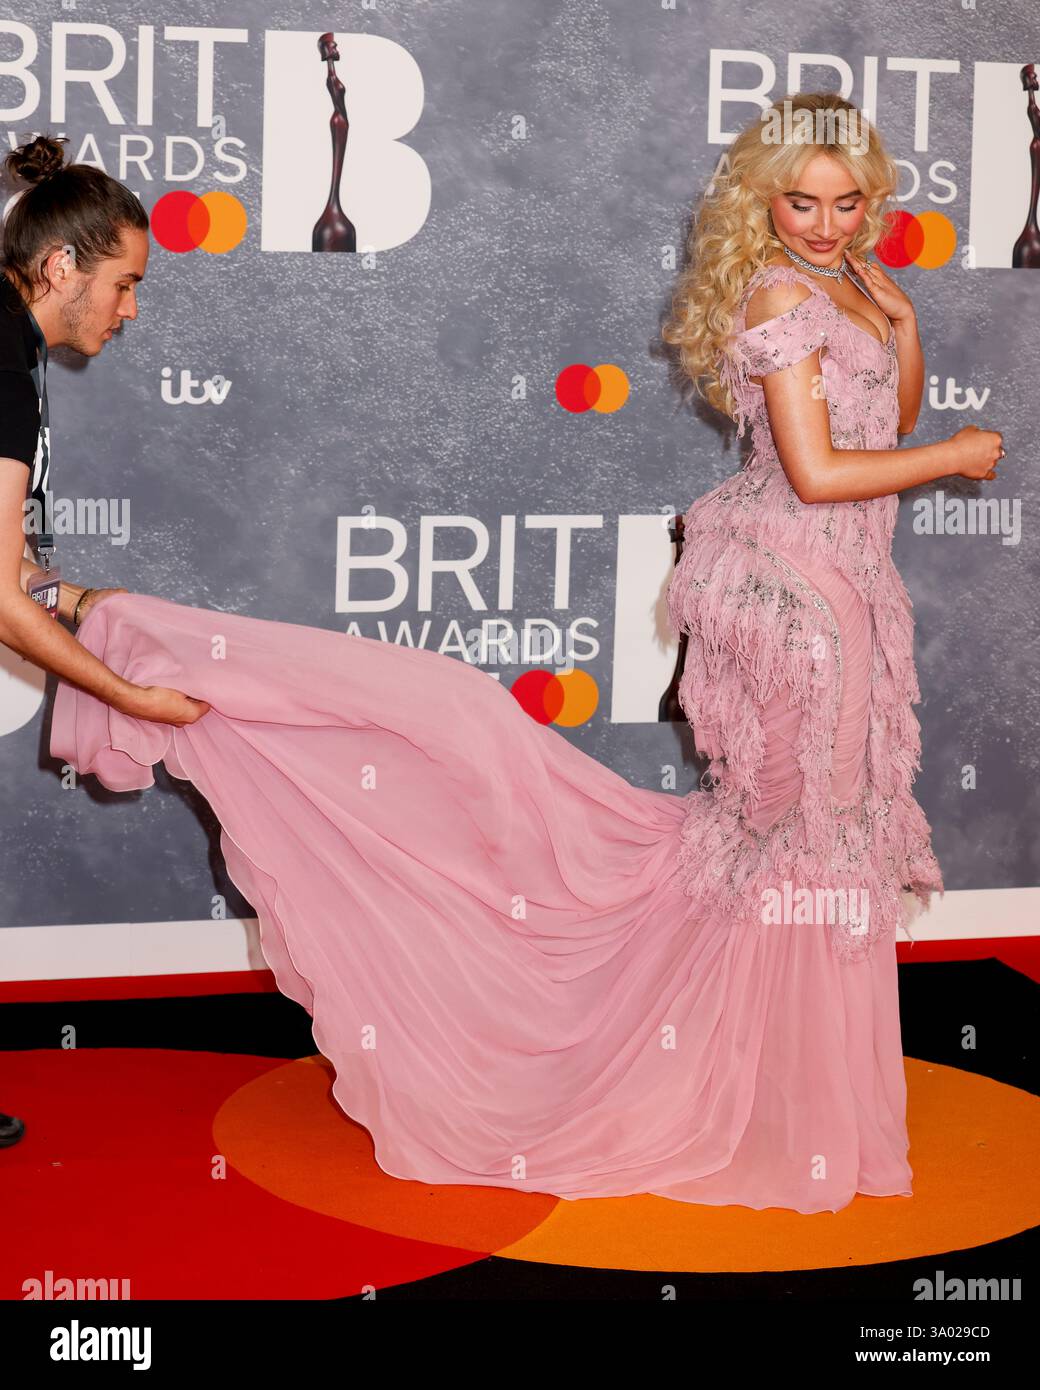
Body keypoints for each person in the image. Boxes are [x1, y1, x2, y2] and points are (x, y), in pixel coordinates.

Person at [13, 101, 1005, 1212]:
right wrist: (954, 455)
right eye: (799, 200)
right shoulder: (777, 296)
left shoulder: (851, 290)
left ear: (874, 202)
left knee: (811, 847)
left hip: (851, 588)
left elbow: (880, 417)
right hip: (797, 599)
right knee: (803, 847)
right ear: (762, 203)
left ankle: (790, 1100)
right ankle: (762, 1110)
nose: (823, 223)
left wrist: (899, 324)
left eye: (846, 201)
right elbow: (822, 473)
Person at [0, 134, 211, 1147]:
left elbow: (15, 572)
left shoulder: (11, 343)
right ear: (59, 268)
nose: (132, 311)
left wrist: (80, 596)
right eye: (124, 284)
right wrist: (130, 696)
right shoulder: (0, 349)